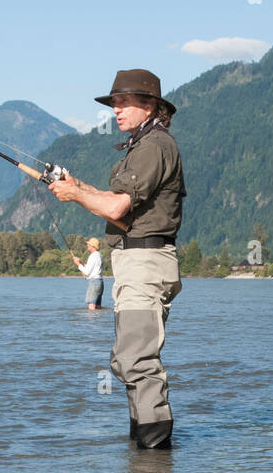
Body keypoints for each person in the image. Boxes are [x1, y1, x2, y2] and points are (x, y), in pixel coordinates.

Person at [49, 68, 184, 449]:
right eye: (114, 104)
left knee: (135, 360)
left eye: (125, 102)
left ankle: (154, 454)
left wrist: (75, 196)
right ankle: (144, 463)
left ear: (151, 106)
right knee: (129, 360)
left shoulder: (155, 147)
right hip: (134, 263)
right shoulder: (141, 147)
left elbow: (117, 204)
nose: (117, 110)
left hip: (145, 264)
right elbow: (119, 214)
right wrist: (77, 187)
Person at [73, 236, 104, 309]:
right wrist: (81, 262)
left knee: (91, 306)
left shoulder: (92, 256)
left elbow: (87, 272)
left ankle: (91, 320)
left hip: (93, 283)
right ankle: (98, 320)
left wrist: (77, 264)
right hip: (100, 282)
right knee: (98, 306)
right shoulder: (99, 255)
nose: (87, 245)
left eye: (89, 244)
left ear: (93, 246)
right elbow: (91, 268)